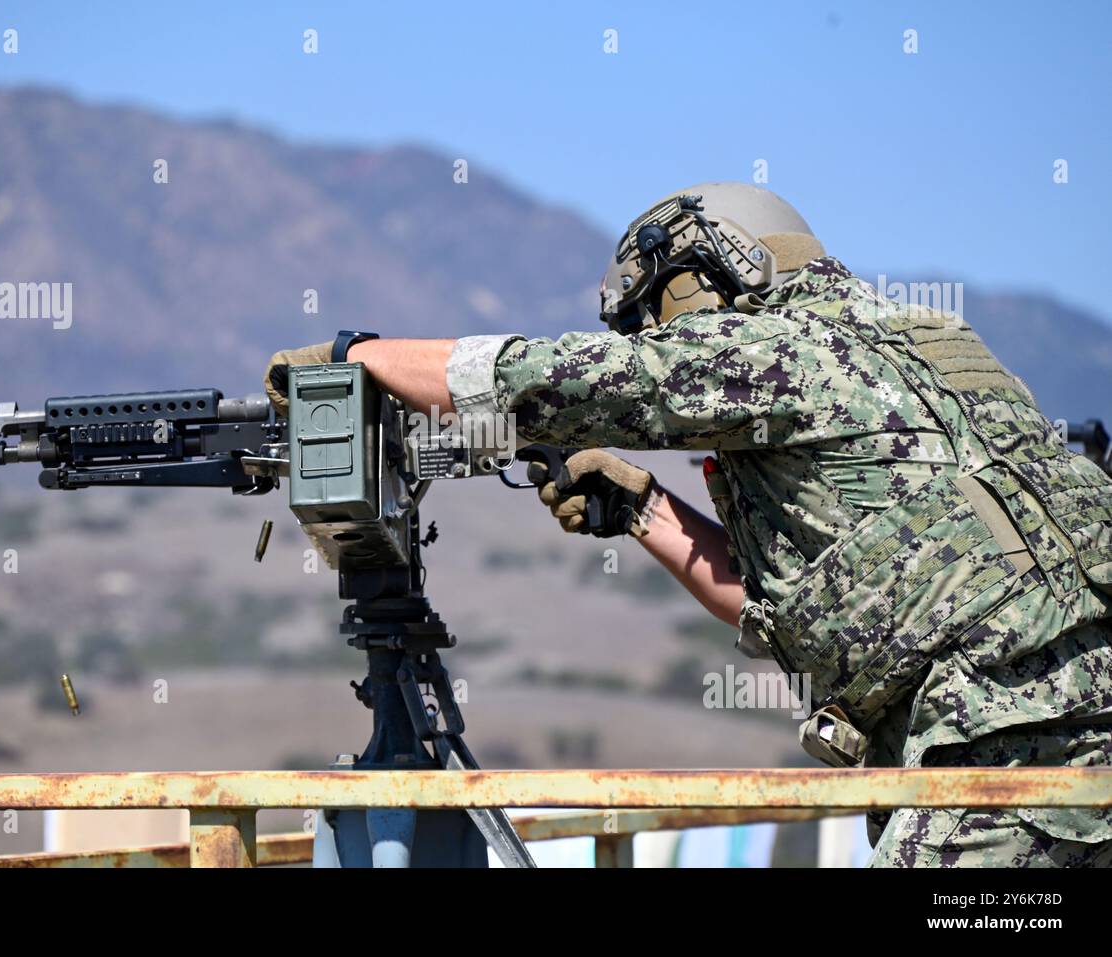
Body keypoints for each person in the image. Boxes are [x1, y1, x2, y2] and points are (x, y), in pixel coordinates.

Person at [266, 182, 1112, 867]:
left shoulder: (785, 346)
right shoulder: (931, 342)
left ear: (703, 271)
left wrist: (359, 357)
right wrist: (643, 509)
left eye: (652, 314)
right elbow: (791, 599)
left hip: (1011, 750)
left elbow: (564, 380)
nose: (656, 338)